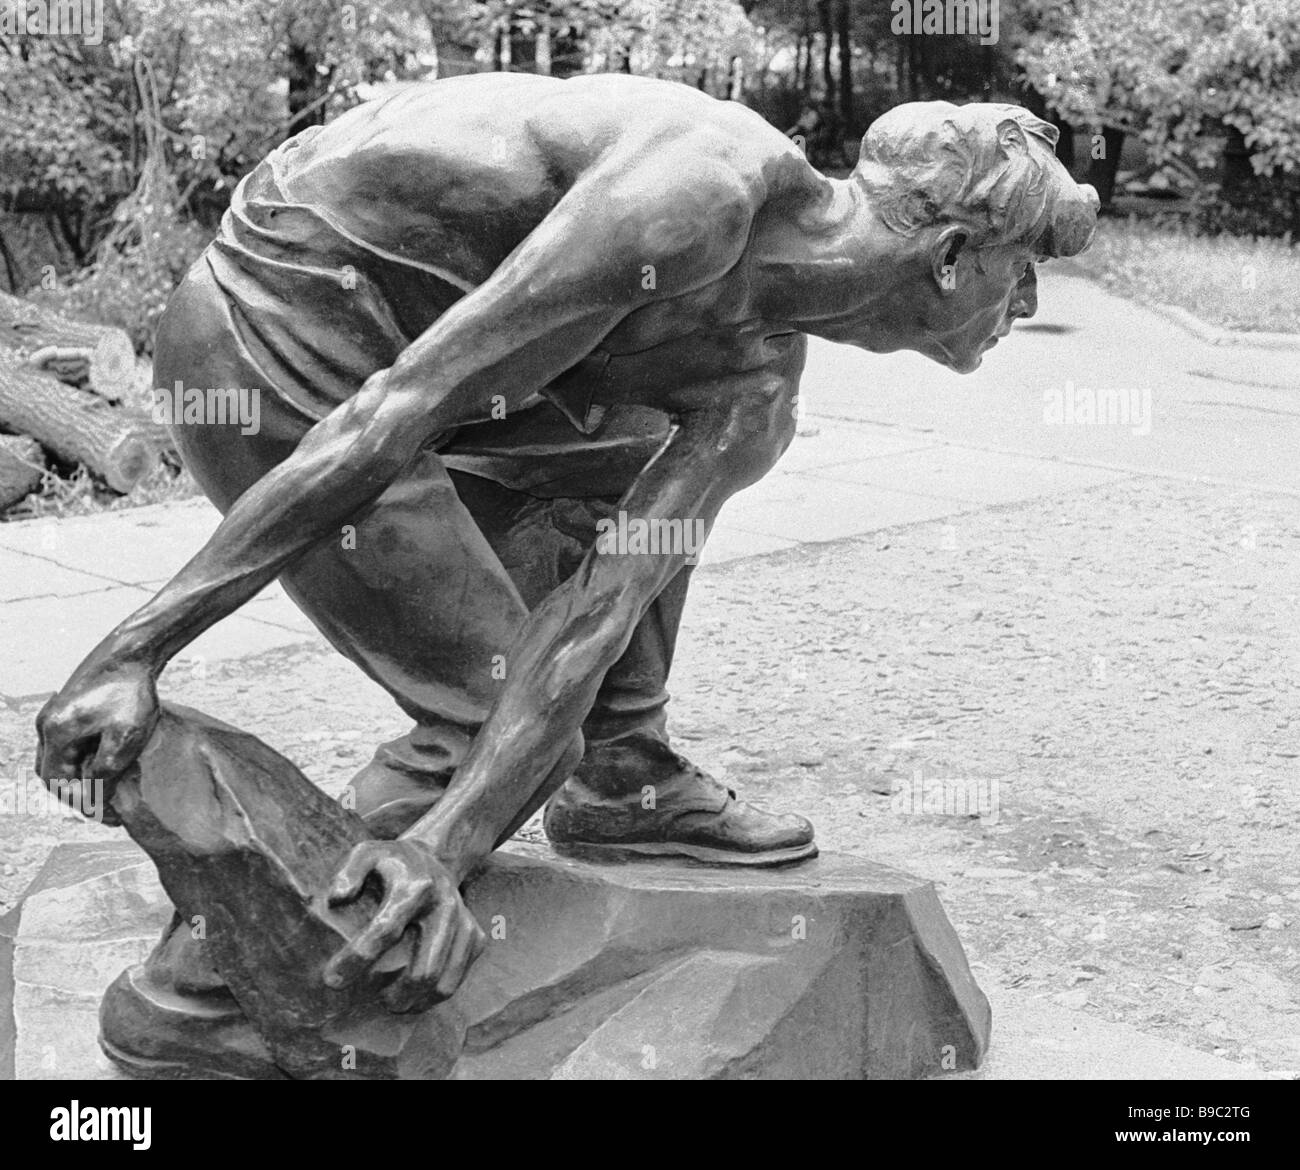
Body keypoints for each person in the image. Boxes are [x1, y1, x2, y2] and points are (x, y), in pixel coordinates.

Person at [36, 73, 1099, 1049]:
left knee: (620, 473)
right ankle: (212, 989)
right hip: (282, 329)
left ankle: (621, 779)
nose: (1031, 305)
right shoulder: (695, 198)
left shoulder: (754, 394)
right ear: (953, 257)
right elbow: (390, 416)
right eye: (1026, 270)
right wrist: (134, 653)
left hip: (442, 373)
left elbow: (602, 604)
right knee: (484, 709)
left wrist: (451, 846)